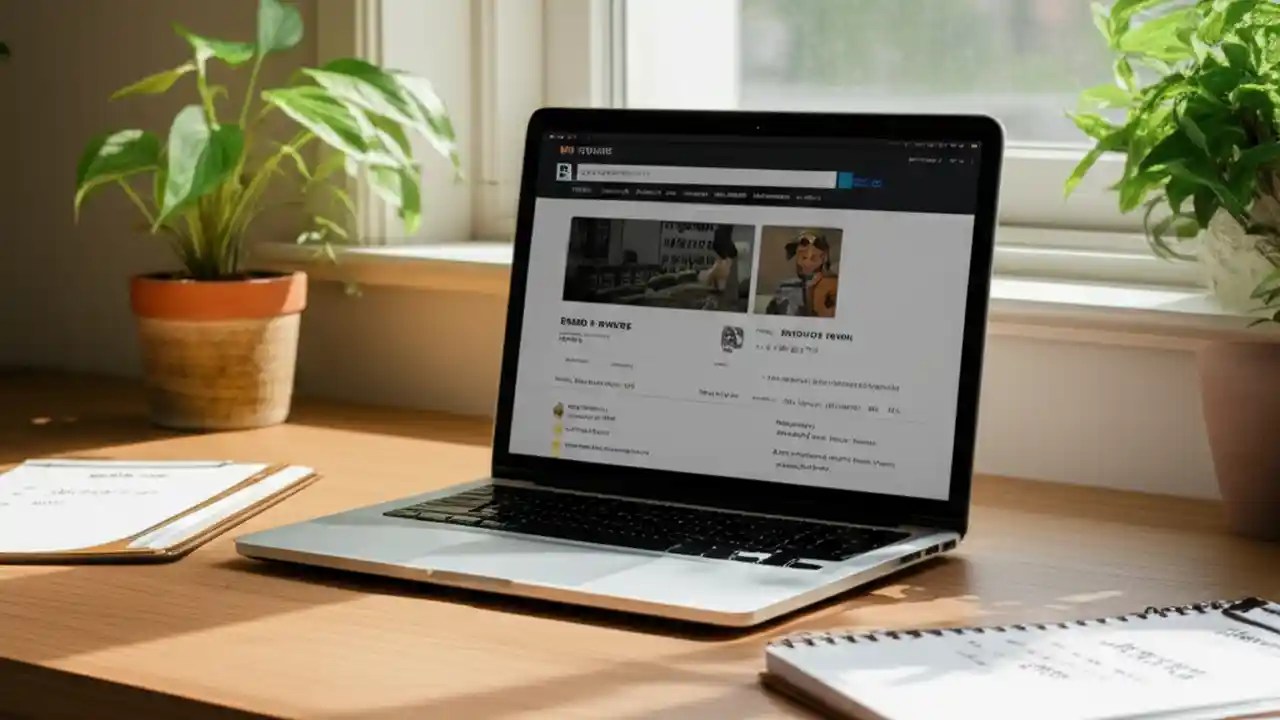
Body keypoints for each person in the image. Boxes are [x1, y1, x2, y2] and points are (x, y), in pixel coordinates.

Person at [766, 230, 839, 317]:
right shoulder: (785, 288)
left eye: (813, 258)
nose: (803, 262)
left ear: (823, 258)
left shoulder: (832, 285)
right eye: (801, 256)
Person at [698, 225, 740, 311]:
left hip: (725, 302)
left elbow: (718, 283)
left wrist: (706, 274)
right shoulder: (726, 259)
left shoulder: (726, 262)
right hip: (726, 299)